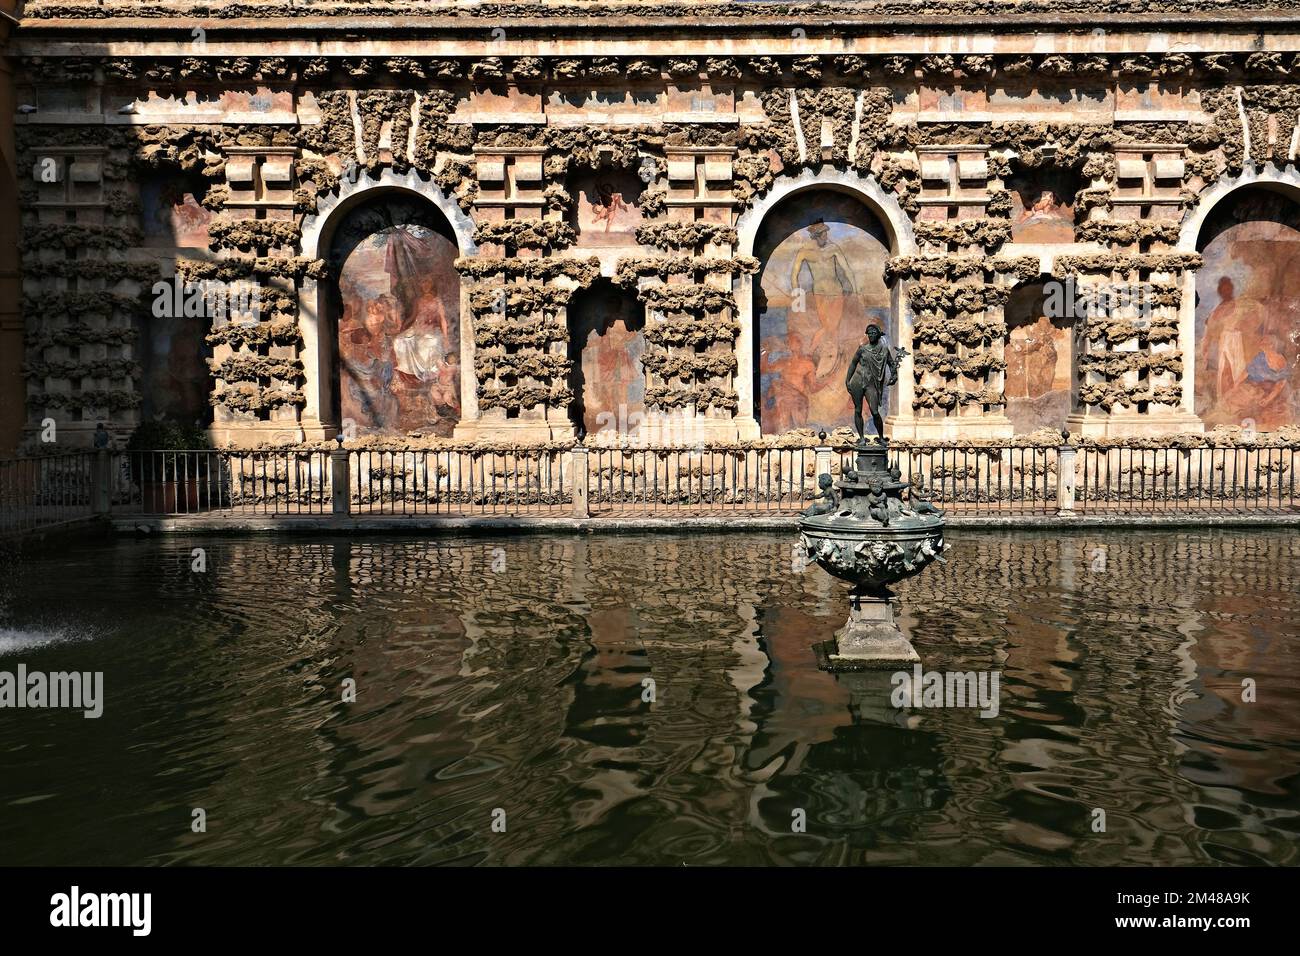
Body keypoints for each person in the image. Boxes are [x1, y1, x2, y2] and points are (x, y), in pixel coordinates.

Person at [845, 324, 900, 440]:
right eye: (869, 333)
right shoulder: (862, 349)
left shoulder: (884, 350)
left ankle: (881, 437)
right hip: (858, 381)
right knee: (858, 409)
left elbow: (891, 364)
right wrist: (847, 380)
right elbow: (853, 364)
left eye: (874, 333)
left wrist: (894, 375)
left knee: (875, 412)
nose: (871, 335)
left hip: (871, 384)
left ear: (879, 335)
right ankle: (861, 438)